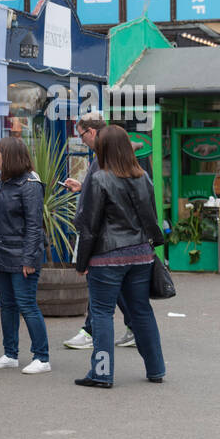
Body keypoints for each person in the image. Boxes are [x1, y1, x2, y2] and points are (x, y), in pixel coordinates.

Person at [72, 126, 166, 388]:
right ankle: (156, 369)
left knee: (102, 313)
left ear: (104, 149)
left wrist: (82, 263)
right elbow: (151, 218)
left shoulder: (99, 178)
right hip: (140, 255)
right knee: (141, 311)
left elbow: (89, 225)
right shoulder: (142, 177)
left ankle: (101, 373)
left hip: (107, 257)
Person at [0, 136, 51, 374]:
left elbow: (34, 226)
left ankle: (42, 357)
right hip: (0, 255)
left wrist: (29, 260)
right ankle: (10, 354)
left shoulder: (30, 185)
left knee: (27, 305)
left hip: (21, 257)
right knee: (7, 305)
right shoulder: (2, 181)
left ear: (8, 156)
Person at [62, 114, 137, 350]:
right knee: (117, 288)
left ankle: (91, 332)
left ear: (92, 132)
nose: (81, 139)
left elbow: (108, 197)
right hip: (119, 239)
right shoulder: (108, 158)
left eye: (81, 134)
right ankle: (133, 327)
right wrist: (82, 188)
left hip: (105, 237)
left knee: (101, 285)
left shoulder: (103, 158)